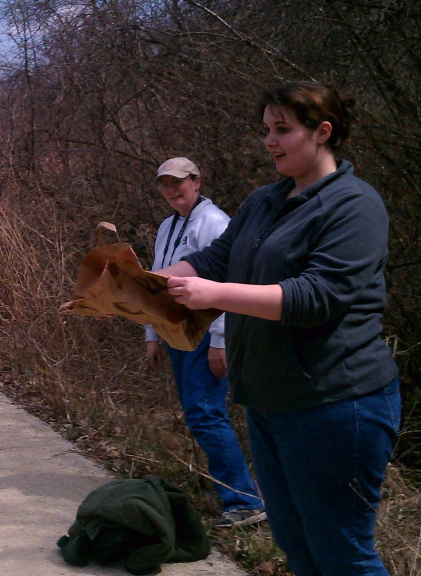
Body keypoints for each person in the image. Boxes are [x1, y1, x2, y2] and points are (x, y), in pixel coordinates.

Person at [157, 83, 400, 576]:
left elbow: (316, 297)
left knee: (342, 551)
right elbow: (214, 259)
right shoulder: (263, 201)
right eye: (266, 129)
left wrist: (215, 295)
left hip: (336, 405)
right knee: (296, 544)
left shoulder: (354, 205)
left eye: (283, 130)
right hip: (270, 401)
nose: (269, 141)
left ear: (322, 132)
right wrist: (145, 284)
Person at [146, 156, 265, 528]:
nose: (171, 190)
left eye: (178, 182)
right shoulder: (167, 226)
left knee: (204, 412)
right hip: (176, 333)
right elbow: (154, 285)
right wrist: (152, 334)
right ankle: (228, 491)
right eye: (165, 184)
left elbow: (229, 280)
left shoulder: (214, 221)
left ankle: (244, 501)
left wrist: (220, 340)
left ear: (197, 181)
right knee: (198, 413)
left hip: (205, 332)